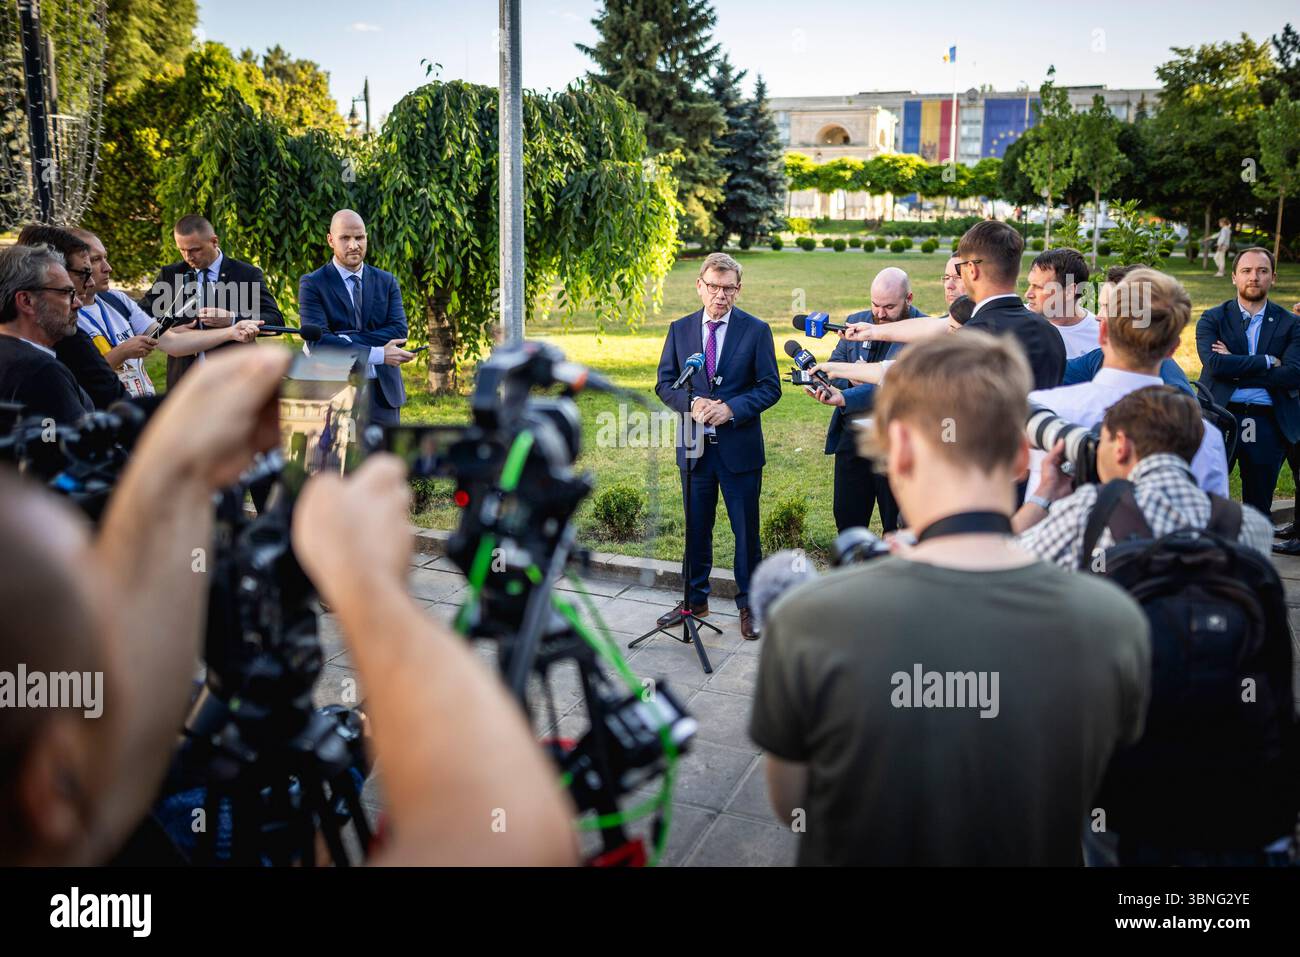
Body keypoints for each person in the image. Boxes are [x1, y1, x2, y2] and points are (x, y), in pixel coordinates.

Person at [0, 347, 577, 866]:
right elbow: (507, 838)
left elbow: (113, 769)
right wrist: (367, 586)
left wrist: (173, 467)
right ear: (45, 786)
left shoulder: (58, 825)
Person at [750, 333, 1150, 866]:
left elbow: (790, 803)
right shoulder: (1114, 623)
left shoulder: (809, 620)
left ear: (902, 448)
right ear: (1016, 457)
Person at [654, 252, 780, 639]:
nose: (720, 295)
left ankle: (750, 606)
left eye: (728, 288)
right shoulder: (680, 330)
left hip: (739, 450)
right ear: (699, 286)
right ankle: (694, 601)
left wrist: (731, 409)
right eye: (713, 287)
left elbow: (770, 387)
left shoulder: (756, 331)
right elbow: (664, 383)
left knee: (746, 533)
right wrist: (690, 404)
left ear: (738, 291)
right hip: (694, 450)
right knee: (696, 529)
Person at [1025, 268, 1229, 496]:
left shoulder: (1042, 410)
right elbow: (1215, 522)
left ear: (1102, 333)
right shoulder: (1206, 435)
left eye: (1103, 308)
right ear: (1173, 349)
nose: (1100, 315)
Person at [1016, 385, 1272, 563]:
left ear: (1122, 446)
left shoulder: (1087, 513)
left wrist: (1044, 494)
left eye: (1102, 440)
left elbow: (999, 557)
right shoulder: (1250, 525)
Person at [826, 221, 1067, 391]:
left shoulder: (971, 337)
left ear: (971, 270)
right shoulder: (1049, 333)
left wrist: (835, 369)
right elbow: (936, 326)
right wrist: (873, 331)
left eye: (960, 270)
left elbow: (900, 373)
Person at [69, 227, 262, 398]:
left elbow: (172, 342)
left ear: (214, 241)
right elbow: (78, 376)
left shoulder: (117, 300)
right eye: (95, 260)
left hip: (136, 417)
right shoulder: (65, 315)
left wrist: (232, 329)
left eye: (105, 257)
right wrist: (123, 352)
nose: (107, 267)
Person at [808, 266, 919, 533]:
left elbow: (897, 389)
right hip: (852, 442)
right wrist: (848, 380)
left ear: (909, 298)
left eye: (889, 307)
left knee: (897, 526)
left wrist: (850, 391)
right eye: (875, 305)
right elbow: (834, 367)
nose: (879, 314)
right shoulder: (855, 321)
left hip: (896, 446)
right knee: (847, 521)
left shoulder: (923, 331)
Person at [1194, 247, 1300, 523]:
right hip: (1220, 415)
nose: (1254, 277)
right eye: (1247, 271)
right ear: (1234, 277)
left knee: (1258, 508)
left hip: (1267, 420)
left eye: (1262, 271)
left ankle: (1254, 561)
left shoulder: (1291, 324)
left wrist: (1236, 365)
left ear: (1273, 278)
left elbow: (1292, 374)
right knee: (1207, 503)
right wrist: (1266, 360)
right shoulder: (1212, 318)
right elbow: (1215, 365)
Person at [138, 214, 283, 389]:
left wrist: (232, 319)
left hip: (236, 377)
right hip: (184, 380)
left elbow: (275, 320)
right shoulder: (171, 274)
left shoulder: (246, 274)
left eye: (194, 249)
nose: (187, 257)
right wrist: (169, 332)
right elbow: (138, 316)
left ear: (214, 241)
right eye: (181, 250)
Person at [298, 209, 413, 427]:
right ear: (331, 240)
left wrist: (343, 340)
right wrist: (379, 353)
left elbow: (398, 332)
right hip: (334, 391)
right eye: (345, 238)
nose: (354, 245)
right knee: (338, 460)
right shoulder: (313, 284)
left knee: (383, 458)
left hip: (383, 394)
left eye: (359, 237)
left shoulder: (386, 281)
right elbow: (319, 342)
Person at [0, 243, 94, 423]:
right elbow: (78, 447)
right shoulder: (40, 371)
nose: (77, 303)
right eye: (66, 292)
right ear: (27, 301)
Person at [1061, 264, 1191, 392]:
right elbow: (1054, 371)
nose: (1098, 316)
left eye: (1107, 307)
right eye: (1100, 306)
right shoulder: (1100, 357)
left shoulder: (1174, 395)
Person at [1024, 247, 1100, 359]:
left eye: (1039, 287)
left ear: (1070, 291)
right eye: (1030, 284)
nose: (1028, 294)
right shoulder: (1015, 322)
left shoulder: (1099, 337)